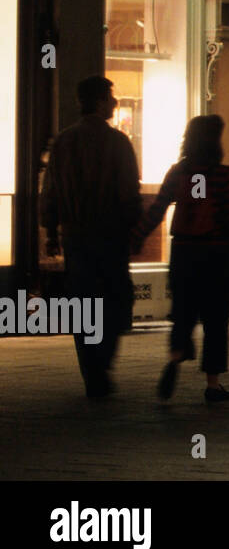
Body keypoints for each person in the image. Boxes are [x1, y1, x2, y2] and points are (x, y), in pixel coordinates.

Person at [39, 76, 142, 398]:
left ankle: (91, 370)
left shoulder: (63, 143)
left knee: (83, 302)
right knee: (115, 298)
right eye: (110, 97)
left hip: (76, 237)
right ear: (99, 101)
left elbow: (50, 192)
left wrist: (52, 232)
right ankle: (103, 361)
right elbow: (129, 194)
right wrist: (133, 230)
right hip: (110, 236)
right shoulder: (118, 143)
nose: (114, 103)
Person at [131, 115, 229, 403]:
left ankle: (176, 356)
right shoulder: (222, 174)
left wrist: (138, 236)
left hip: (184, 252)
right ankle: (213, 383)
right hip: (216, 254)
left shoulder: (178, 172)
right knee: (216, 320)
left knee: (183, 312)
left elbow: (157, 209)